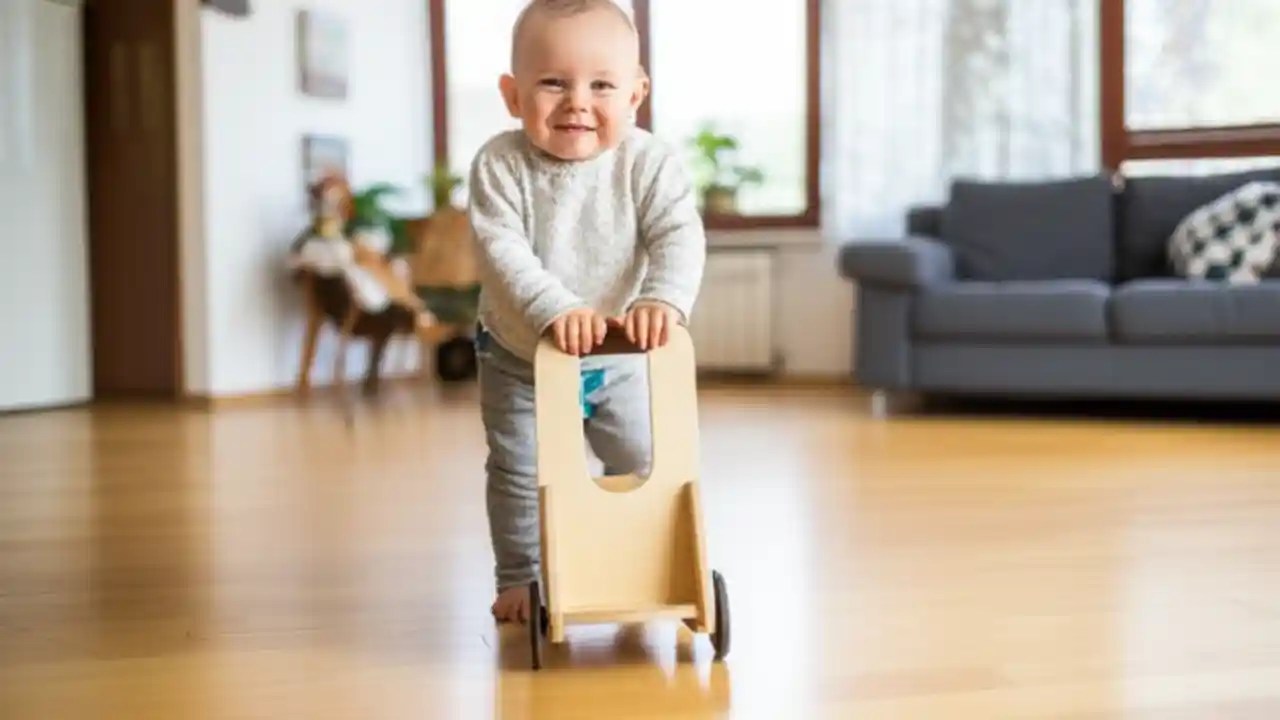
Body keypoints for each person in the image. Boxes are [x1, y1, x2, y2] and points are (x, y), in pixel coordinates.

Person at [468, 0, 706, 623]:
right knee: (520, 468)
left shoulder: (648, 163)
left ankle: (646, 559)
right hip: (522, 352)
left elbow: (679, 234)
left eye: (602, 85)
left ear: (636, 93)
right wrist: (556, 309)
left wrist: (663, 298)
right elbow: (503, 252)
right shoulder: (500, 165)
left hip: (620, 355)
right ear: (512, 94)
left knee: (643, 459)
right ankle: (520, 575)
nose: (578, 101)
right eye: (553, 82)